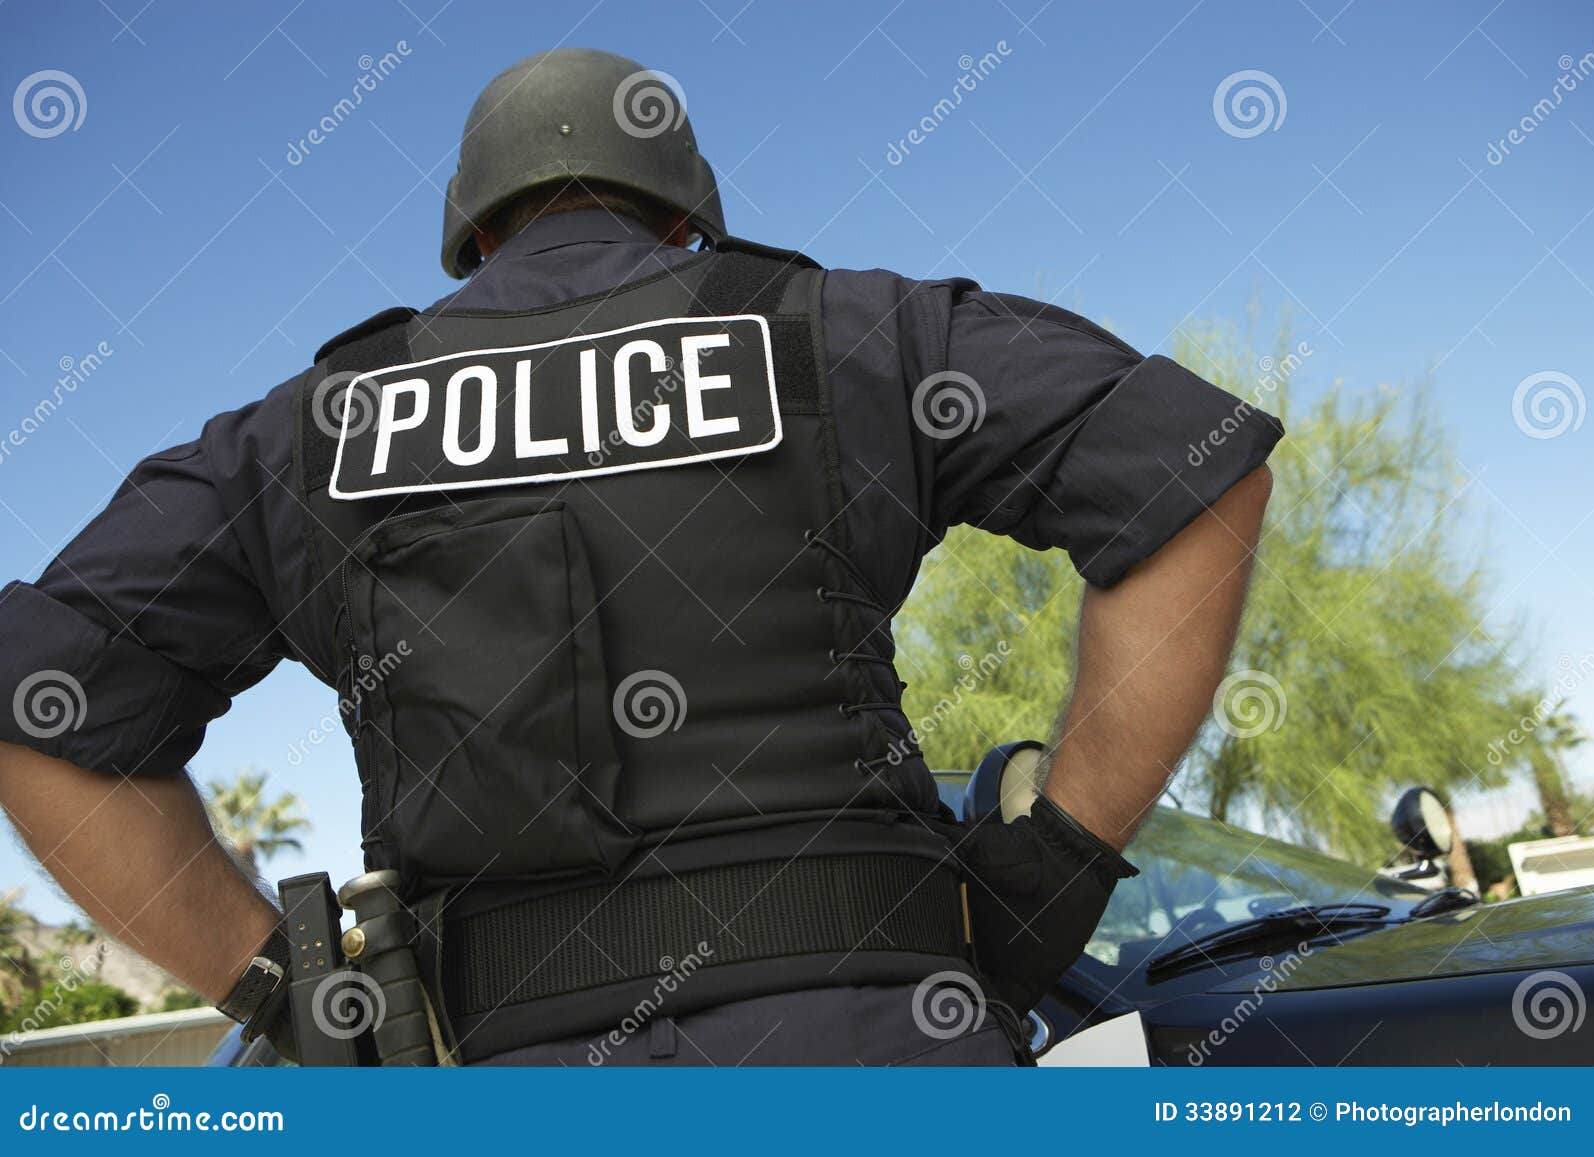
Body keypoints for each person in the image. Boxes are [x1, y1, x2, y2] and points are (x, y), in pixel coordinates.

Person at [0, 48, 1279, 1066]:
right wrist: (1059, 856)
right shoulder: (842, 335)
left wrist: (284, 992)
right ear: (684, 218)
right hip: (883, 1043)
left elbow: (36, 710)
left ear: (475, 236)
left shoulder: (308, 433)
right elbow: (1198, 463)